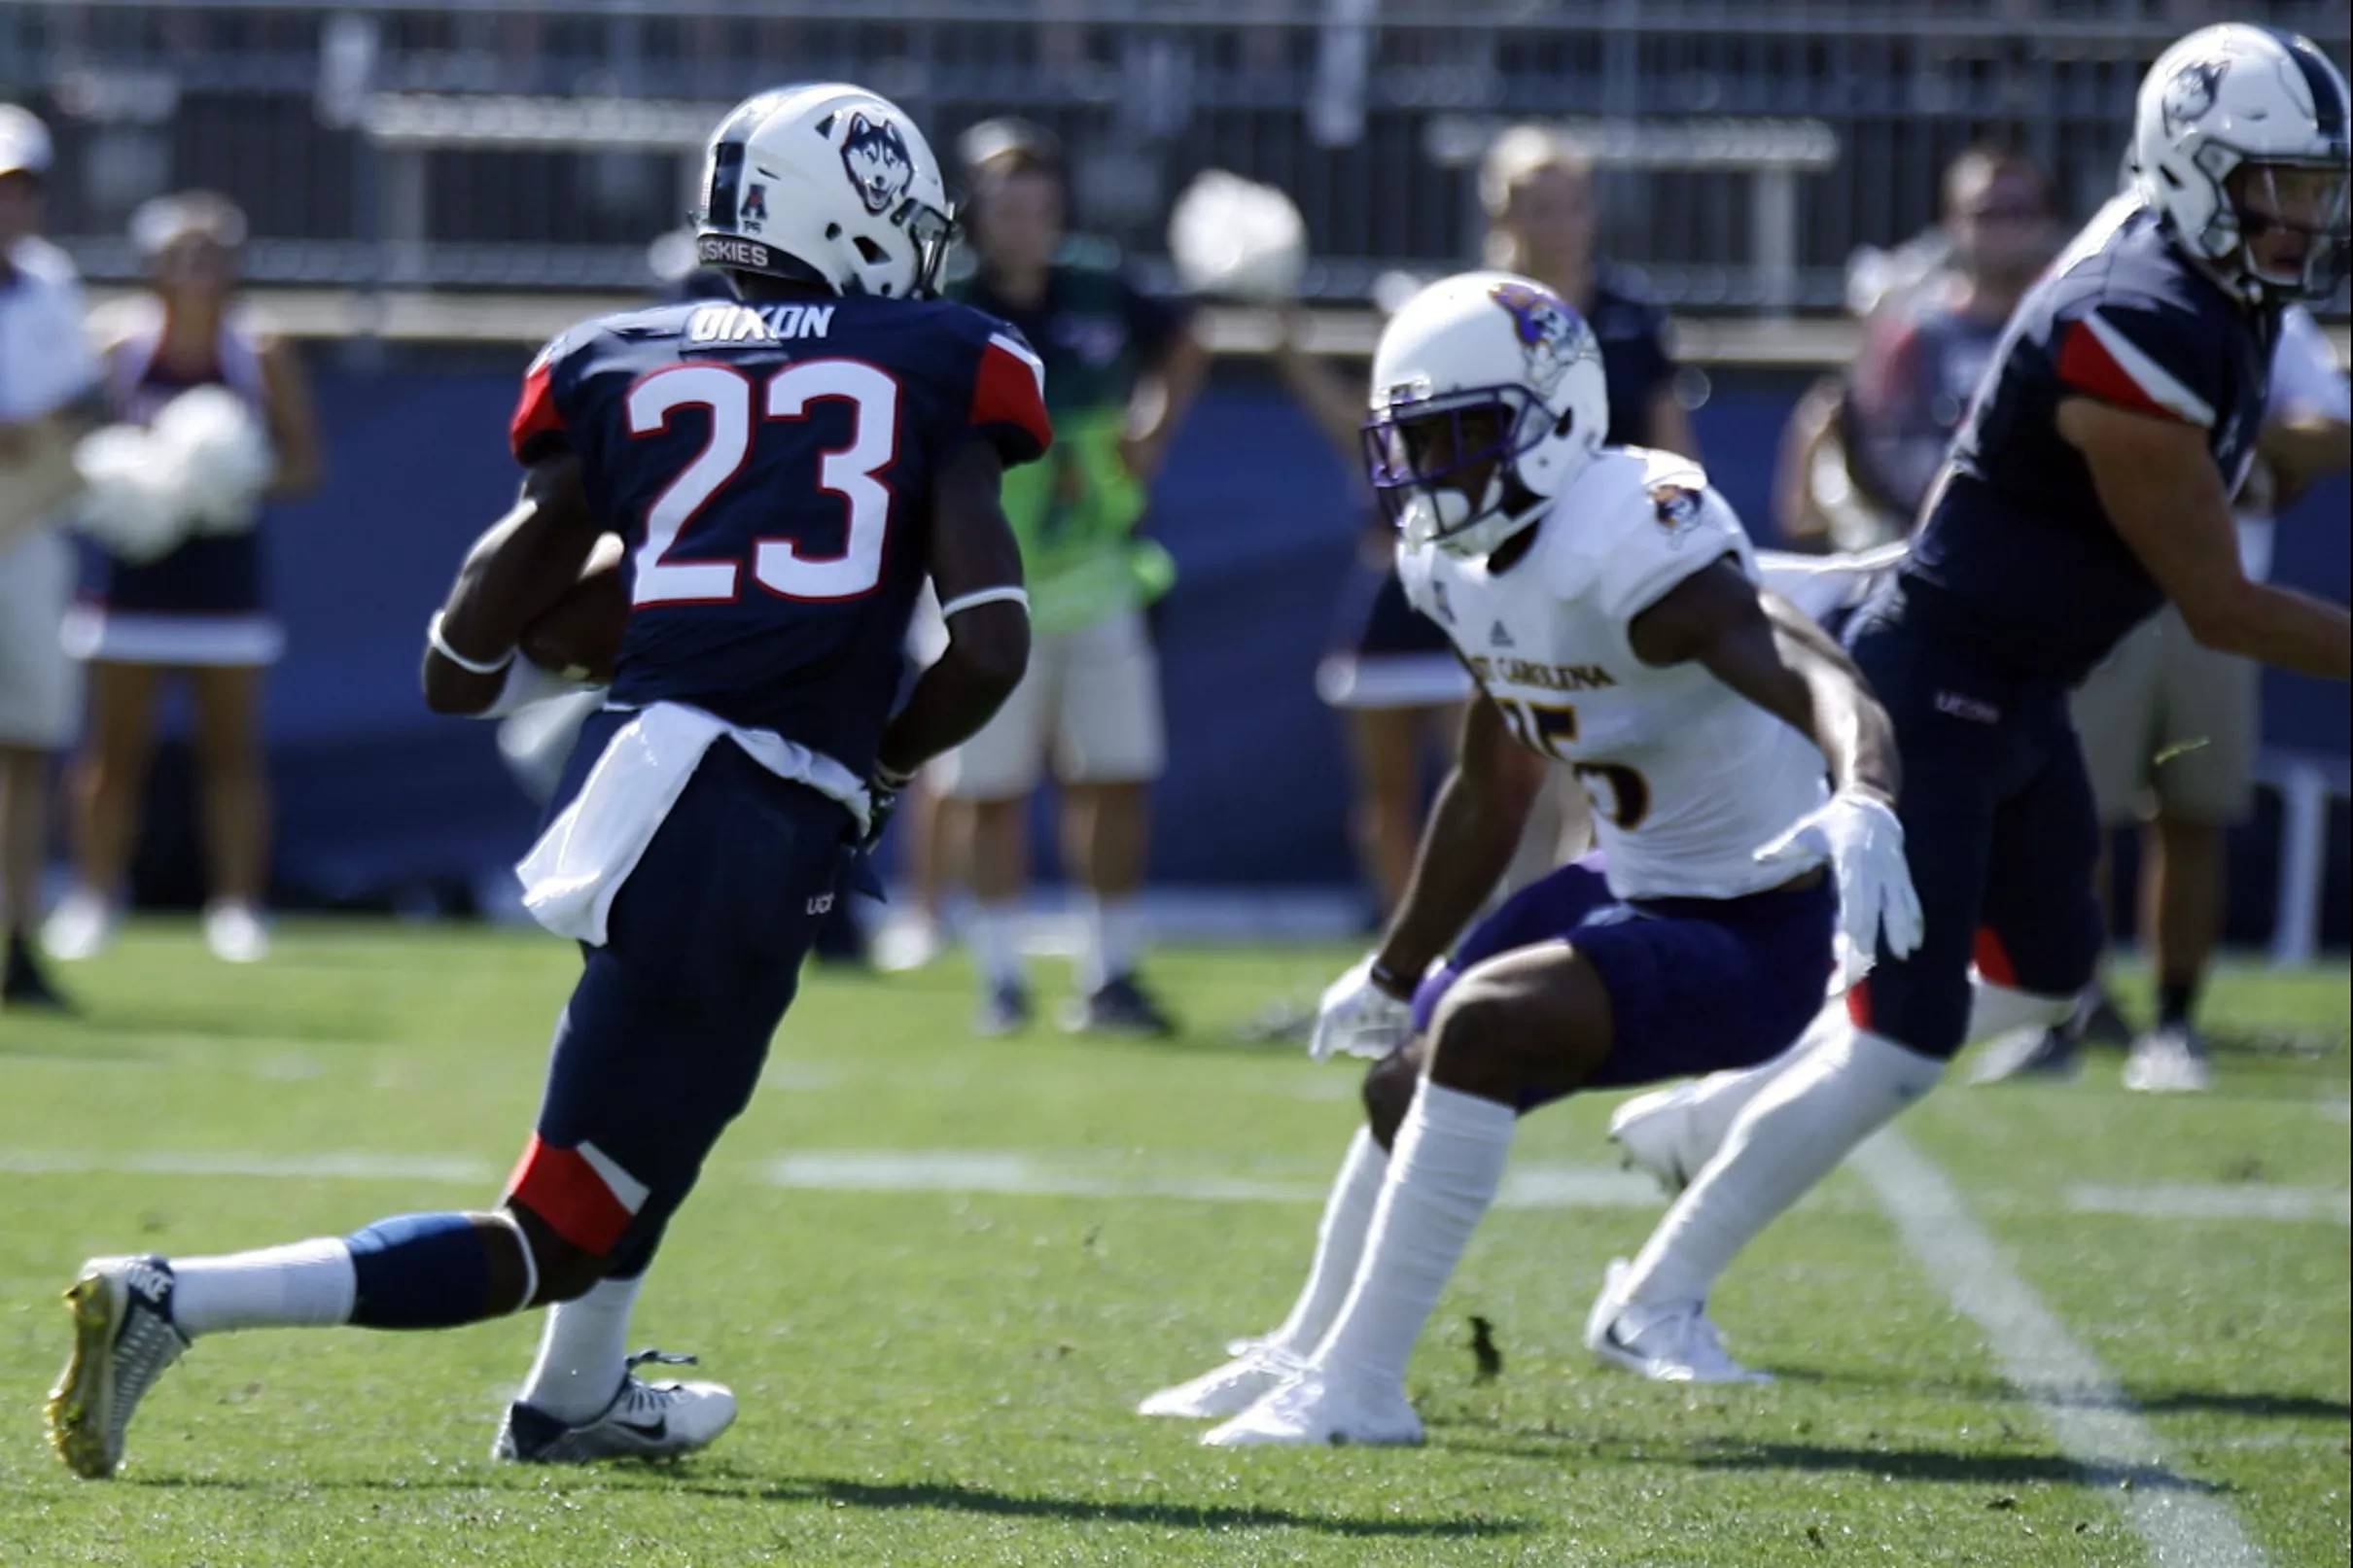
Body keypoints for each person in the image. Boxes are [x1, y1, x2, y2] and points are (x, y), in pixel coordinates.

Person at [47, 81, 1046, 1480]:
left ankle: (575, 1393)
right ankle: (177, 1296)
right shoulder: (943, 358)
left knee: (675, 1114)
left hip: (649, 790)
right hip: (750, 811)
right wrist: (881, 763)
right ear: (860, 210)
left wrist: (596, 623)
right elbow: (990, 647)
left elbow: (463, 658)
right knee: (549, 1227)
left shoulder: (621, 354)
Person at [1591, 22, 2350, 1374]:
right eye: (2267, 185)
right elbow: (2223, 603)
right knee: (1903, 1035)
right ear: (2189, 171)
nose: (2297, 218)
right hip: (1934, 685)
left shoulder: (2187, 275)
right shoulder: (2139, 319)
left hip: (2019, 684)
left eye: (2314, 185)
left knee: (2047, 972)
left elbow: (2243, 469)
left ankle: (1721, 1115)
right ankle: (1652, 1297)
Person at [1138, 270, 1920, 1446]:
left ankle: (1359, 1386)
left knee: (1486, 1023)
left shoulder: (1632, 537)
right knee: (1401, 1073)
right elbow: (1490, 781)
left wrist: (1863, 791)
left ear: (1552, 420)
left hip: (1751, 925)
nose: (1427, 473)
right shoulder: (1455, 561)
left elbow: (1815, 668)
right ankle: (1305, 1348)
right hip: (1632, 880)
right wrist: (1396, 963)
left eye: (1456, 438)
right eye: (1411, 444)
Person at [1281, 124, 1701, 917]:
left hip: (1587, 579)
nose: (1553, 224)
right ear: (1497, 213)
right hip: (1476, 577)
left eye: (1566, 204)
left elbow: (1673, 455)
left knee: (1572, 779)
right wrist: (1291, 347)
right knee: (1450, 785)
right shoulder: (1460, 317)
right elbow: (1394, 454)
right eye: (1531, 206)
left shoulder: (1630, 318)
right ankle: (1429, 959)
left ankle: (1550, 941)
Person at [1977, 300, 2352, 1090]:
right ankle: (2069, 1009)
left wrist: (2220, 439)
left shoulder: (2265, 320)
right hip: (2097, 590)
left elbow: (2334, 428)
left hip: (2216, 601)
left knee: (2194, 810)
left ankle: (2176, 1021)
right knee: (2077, 813)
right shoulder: (2104, 297)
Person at [931, 117, 1210, 1035]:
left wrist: (1156, 430)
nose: (1027, 219)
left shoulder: (1099, 282)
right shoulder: (948, 297)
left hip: (1099, 572)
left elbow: (1186, 341)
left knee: (1117, 775)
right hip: (982, 578)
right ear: (978, 211)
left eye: (1041, 200)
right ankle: (1001, 972)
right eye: (1009, 202)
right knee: (990, 786)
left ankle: (1110, 968)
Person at [43, 192, 324, 965]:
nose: (197, 268)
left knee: (231, 751)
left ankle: (236, 908)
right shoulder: (112, 347)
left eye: (211, 253)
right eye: (181, 253)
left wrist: (229, 477)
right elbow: (66, 449)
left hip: (225, 583)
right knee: (114, 747)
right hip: (129, 580)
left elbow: (305, 467)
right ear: (153, 267)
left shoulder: (260, 352)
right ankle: (91, 897)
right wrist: (130, 479)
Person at [1776, 146, 2063, 553]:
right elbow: (1876, 446)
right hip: (1925, 546)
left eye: (2017, 212)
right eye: (1984, 214)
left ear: (2047, 222)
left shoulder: (2068, 326)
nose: (2001, 230)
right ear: (1953, 222)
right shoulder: (1909, 333)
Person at [0, 106, 100, 1011]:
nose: (9, 203)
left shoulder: (52, 285)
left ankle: (15, 939)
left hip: (27, 544)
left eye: (22, 187)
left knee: (25, 746)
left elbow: (76, 410)